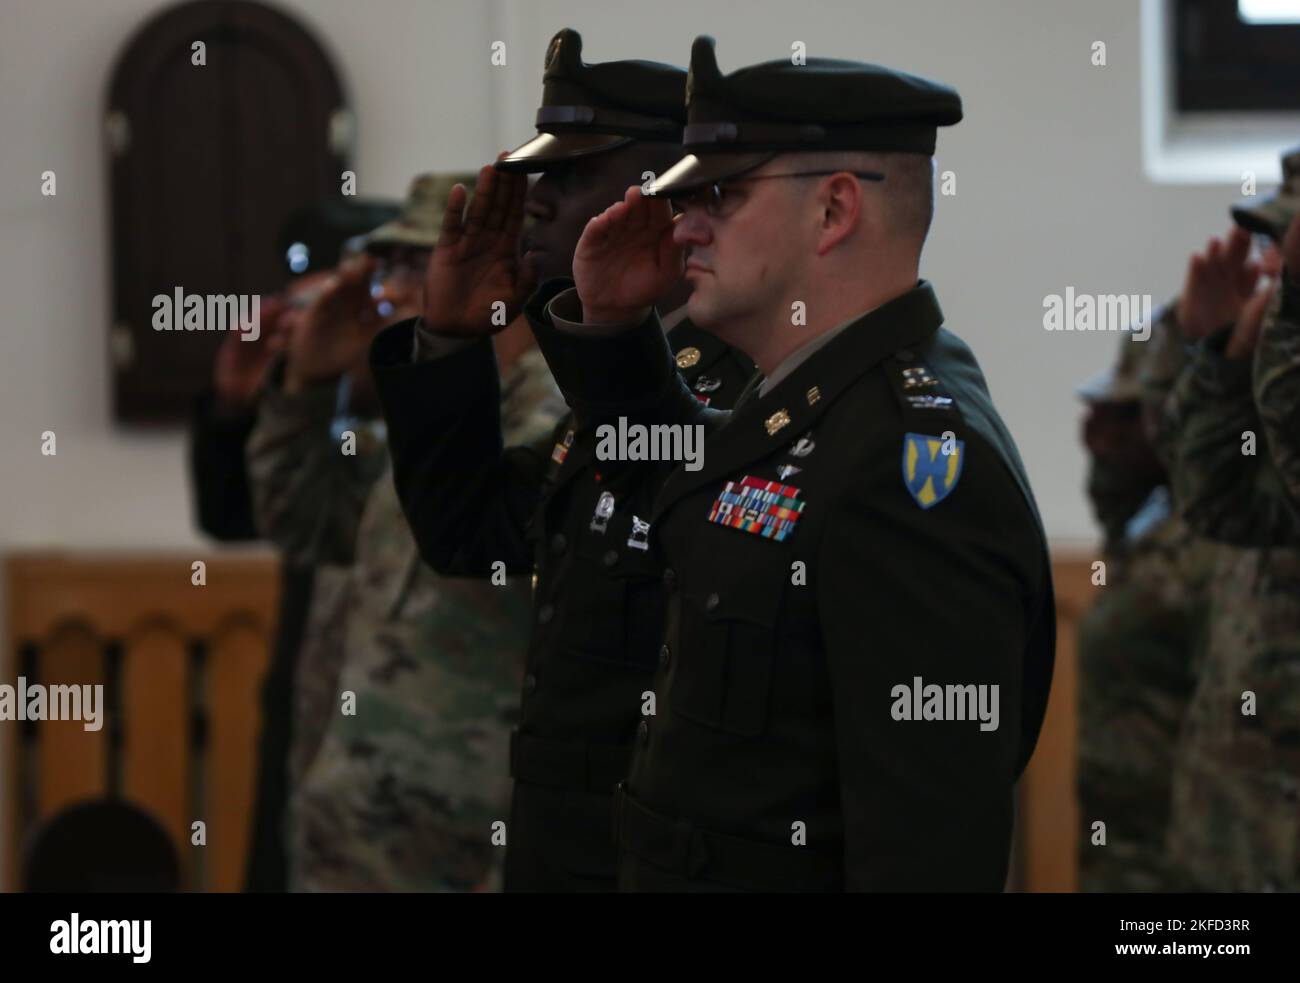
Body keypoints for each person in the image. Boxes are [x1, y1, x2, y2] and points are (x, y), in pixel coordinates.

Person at [518, 36, 1056, 891]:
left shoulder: (907, 468)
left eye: (719, 194)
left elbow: (924, 852)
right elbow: (681, 499)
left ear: (834, 210)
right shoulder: (803, 401)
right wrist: (614, 329)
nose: (681, 223)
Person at [369, 28, 752, 891]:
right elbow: (472, 533)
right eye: (538, 176)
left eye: (573, 175)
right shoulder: (604, 390)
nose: (535, 202)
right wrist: (453, 340)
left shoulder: (737, 385)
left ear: (666, 194)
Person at [185, 198, 399, 892]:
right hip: (304, 720)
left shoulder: (426, 427)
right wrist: (236, 407)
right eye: (298, 314)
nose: (311, 335)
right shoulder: (302, 418)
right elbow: (231, 515)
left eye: (329, 312)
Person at [1147, 153, 1300, 891]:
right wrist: (1218, 357)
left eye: (1285, 254)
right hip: (1237, 834)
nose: (1270, 275)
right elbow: (1215, 503)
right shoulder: (1272, 390)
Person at [1074, 333, 1211, 892]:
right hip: (1124, 862)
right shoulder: (1145, 536)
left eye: (1128, 418)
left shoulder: (1212, 547)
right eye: (1102, 418)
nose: (1104, 440)